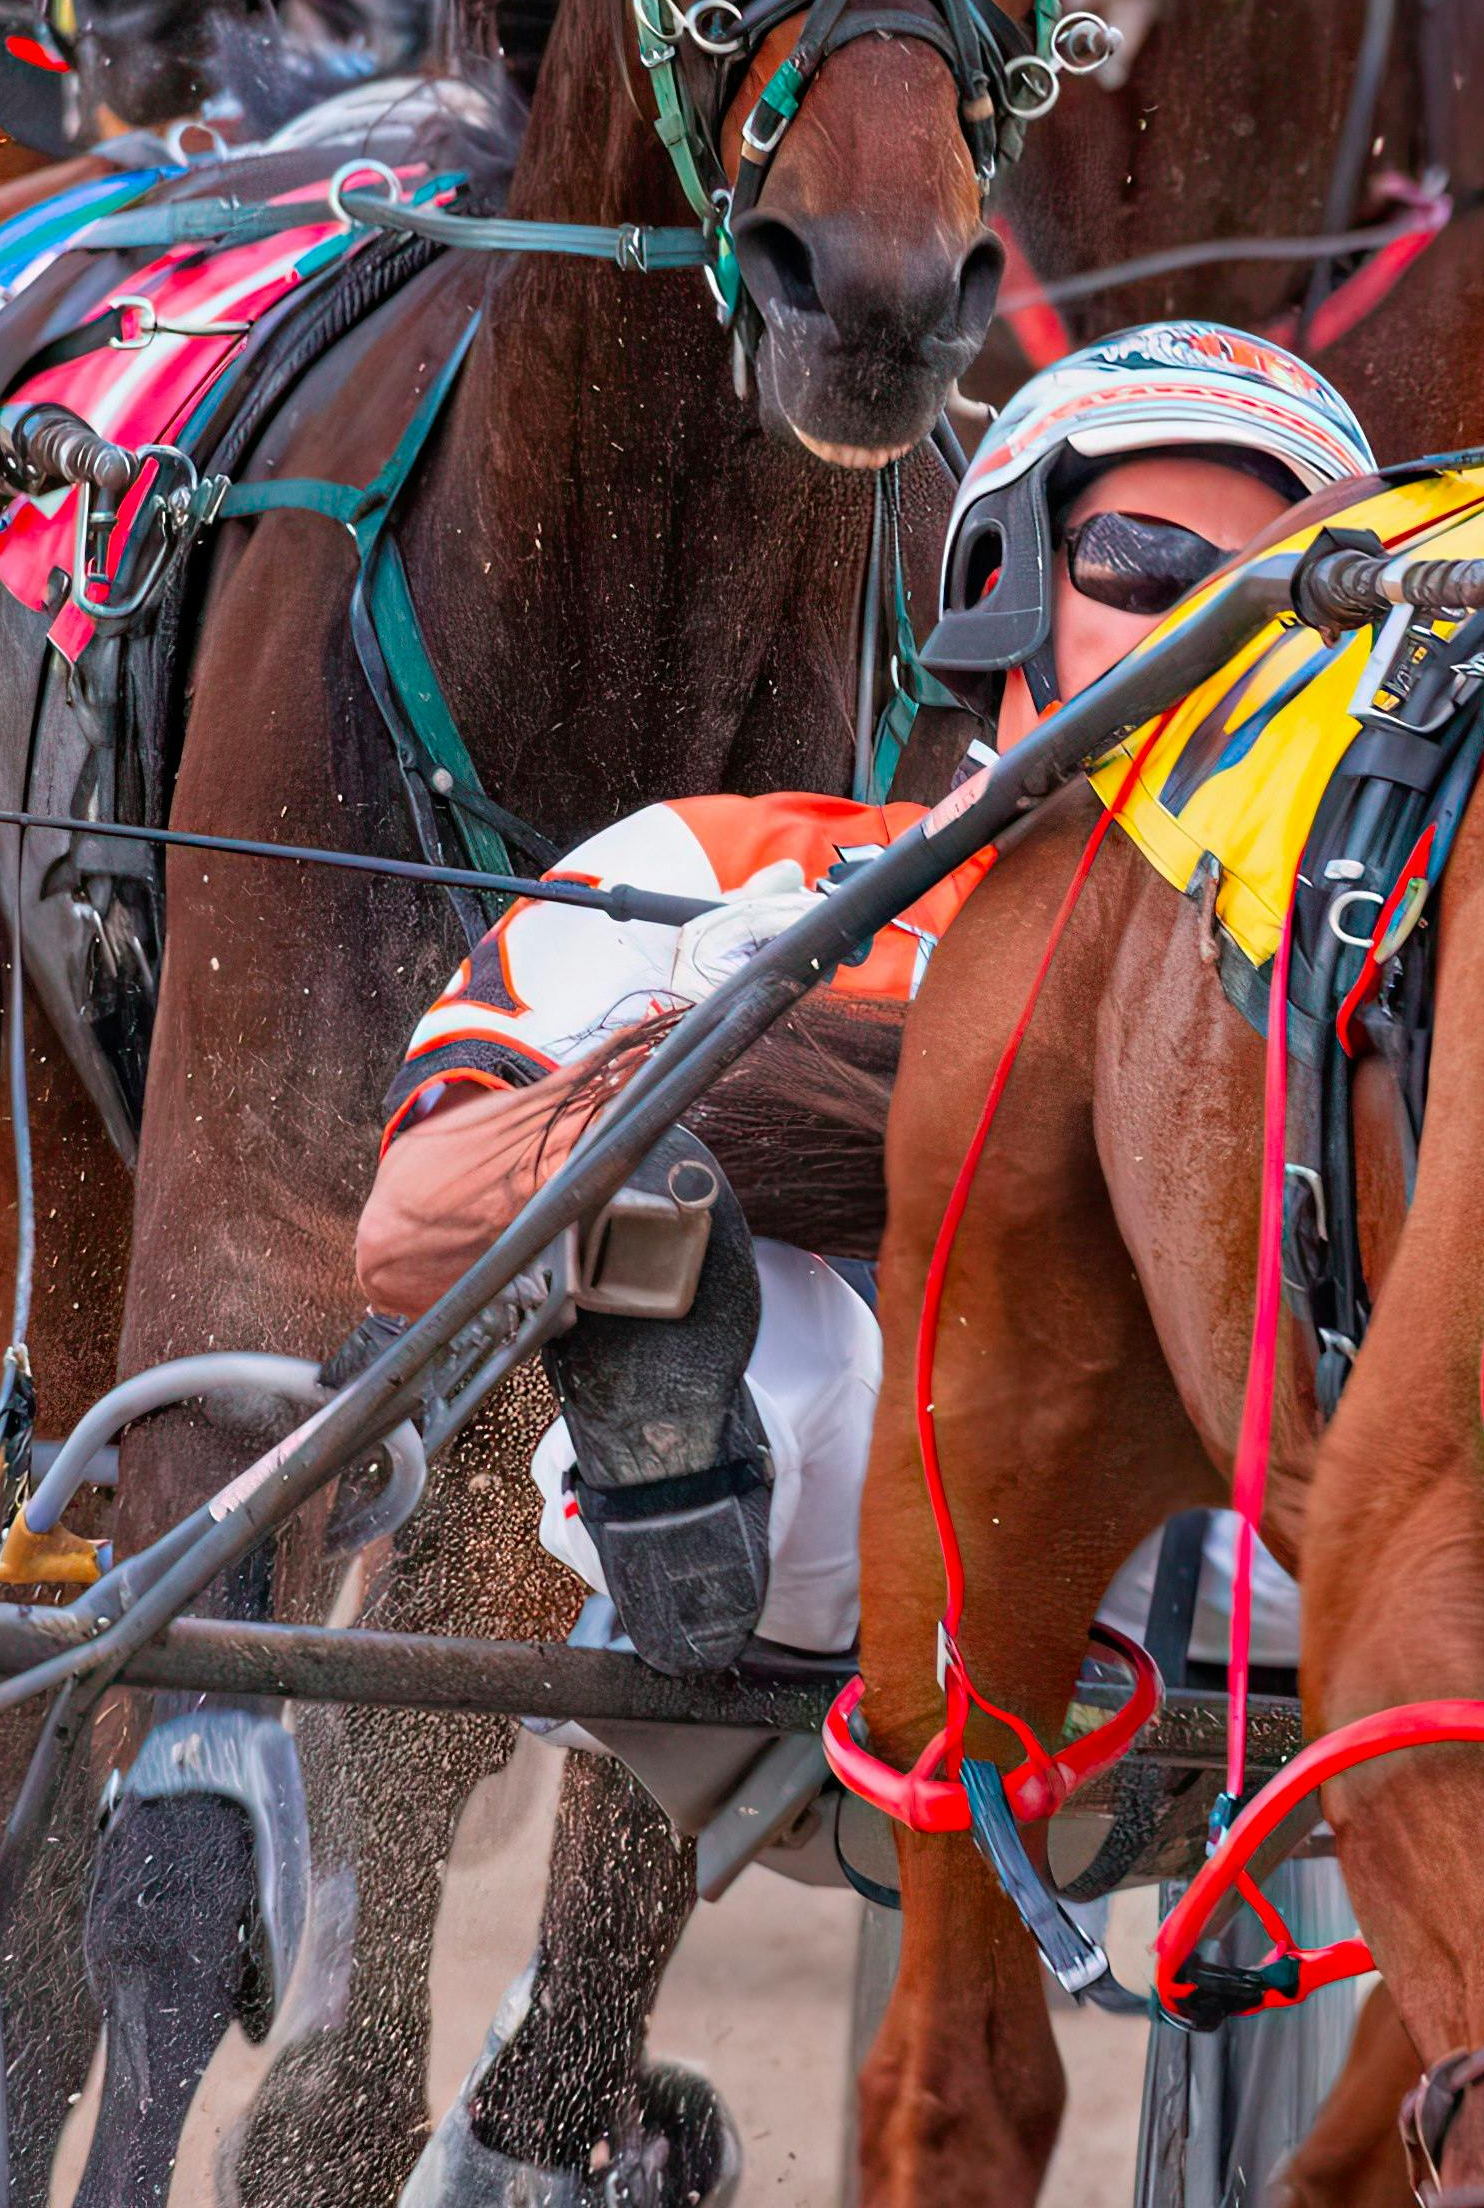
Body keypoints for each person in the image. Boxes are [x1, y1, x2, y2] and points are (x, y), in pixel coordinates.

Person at [342, 320, 1377, 1680]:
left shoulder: (1366, 978)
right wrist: (693, 1129)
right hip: (832, 1501)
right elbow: (408, 1230)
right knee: (783, 1314)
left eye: (1292, 599)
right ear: (1003, 573)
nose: (1214, 629)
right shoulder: (716, 869)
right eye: (1151, 565)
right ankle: (683, 1463)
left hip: (1229, 1531)